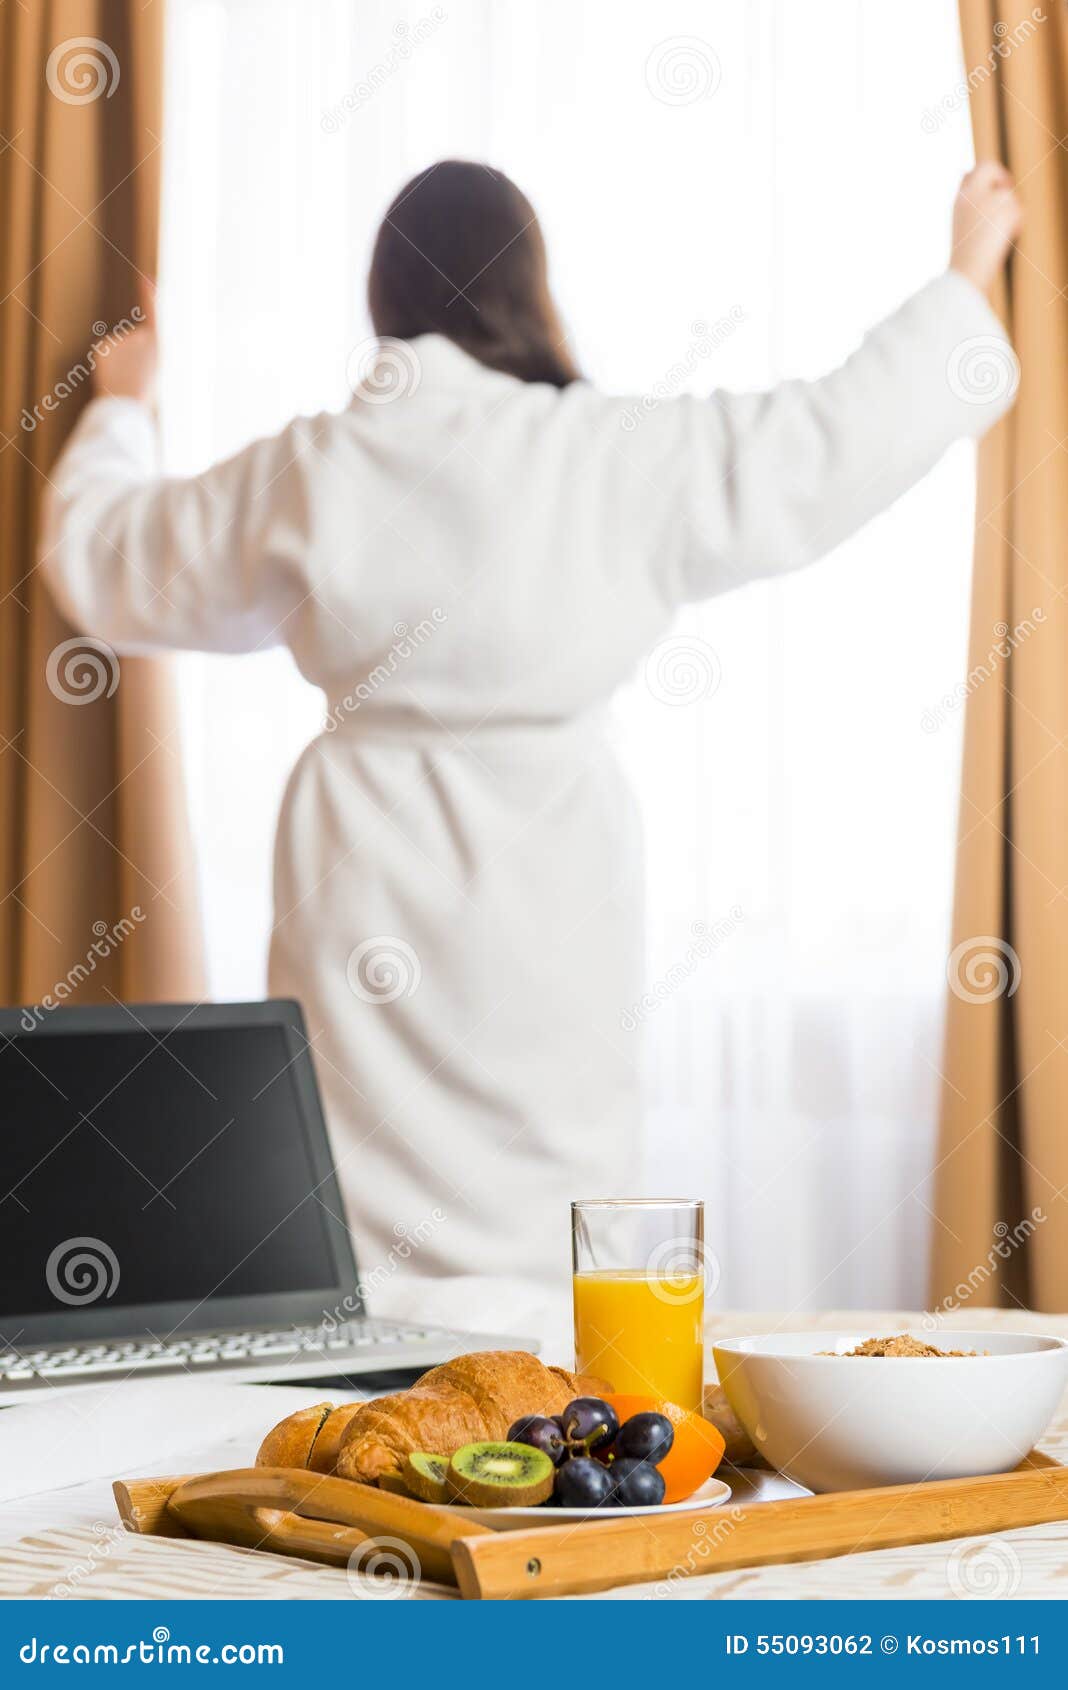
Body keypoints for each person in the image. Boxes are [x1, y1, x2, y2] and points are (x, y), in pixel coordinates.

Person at [41, 158, 1022, 1285]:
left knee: (358, 1244)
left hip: (359, 872)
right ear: (530, 289)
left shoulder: (317, 467)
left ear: (385, 299)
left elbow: (108, 562)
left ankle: (371, 1424)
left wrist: (121, 410)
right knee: (552, 1245)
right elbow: (826, 438)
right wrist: (962, 282)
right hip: (554, 877)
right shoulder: (608, 456)